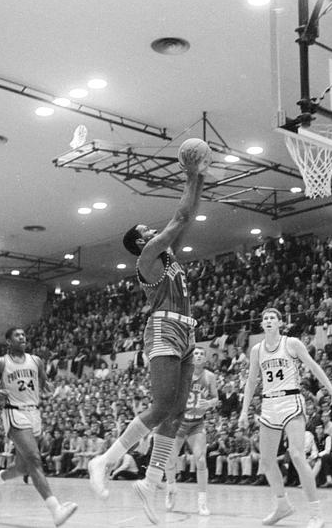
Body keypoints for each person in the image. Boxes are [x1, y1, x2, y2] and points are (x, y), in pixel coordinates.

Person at [88, 141, 207, 525]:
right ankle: (104, 460)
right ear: (141, 241)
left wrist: (199, 176)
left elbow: (188, 216)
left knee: (176, 413)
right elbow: (181, 216)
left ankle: (150, 482)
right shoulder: (148, 257)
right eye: (146, 229)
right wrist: (192, 173)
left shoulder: (168, 257)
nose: (152, 229)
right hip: (163, 329)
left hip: (186, 332)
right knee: (160, 408)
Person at [238, 308, 332, 528]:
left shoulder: (291, 343)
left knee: (296, 454)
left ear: (279, 323)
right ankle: (282, 505)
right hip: (268, 404)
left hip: (291, 401)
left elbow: (314, 367)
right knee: (266, 462)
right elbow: (251, 382)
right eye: (264, 318)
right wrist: (243, 411)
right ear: (262, 324)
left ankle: (316, 513)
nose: (268, 320)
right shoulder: (257, 350)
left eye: (272, 318)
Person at [0, 327, 77, 527]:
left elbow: (44, 382)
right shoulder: (0, 363)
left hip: (34, 413)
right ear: (8, 341)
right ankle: (56, 510)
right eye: (17, 335)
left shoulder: (36, 360)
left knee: (23, 467)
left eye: (24, 334)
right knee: (34, 459)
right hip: (14, 412)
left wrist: (50, 387)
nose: (22, 337)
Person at [164, 347, 218, 516]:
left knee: (201, 460)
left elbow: (216, 398)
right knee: (170, 459)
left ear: (205, 358)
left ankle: (202, 502)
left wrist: (209, 404)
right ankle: (171, 488)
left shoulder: (210, 377)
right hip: (179, 422)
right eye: (196, 353)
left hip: (196, 424)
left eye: (202, 354)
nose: (199, 356)